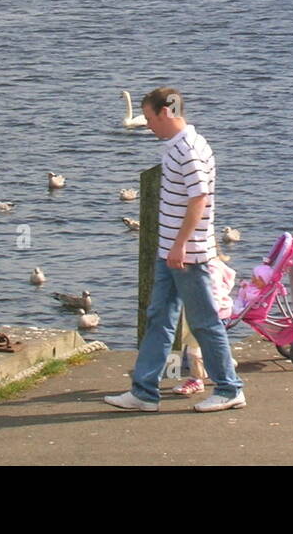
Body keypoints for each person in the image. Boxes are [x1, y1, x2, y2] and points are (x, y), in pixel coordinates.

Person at [103, 87, 246, 413]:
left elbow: (199, 200)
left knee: (204, 322)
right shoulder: (176, 146)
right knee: (159, 319)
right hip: (171, 252)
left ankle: (229, 388)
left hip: (188, 254)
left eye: (151, 118)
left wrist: (180, 246)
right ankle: (144, 392)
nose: (148, 125)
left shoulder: (189, 150)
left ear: (166, 112)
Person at [173, 255, 237, 397]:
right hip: (223, 312)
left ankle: (196, 380)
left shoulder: (208, 269)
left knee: (194, 350)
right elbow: (228, 281)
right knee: (213, 345)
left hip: (210, 313)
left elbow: (212, 294)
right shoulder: (217, 264)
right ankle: (225, 364)